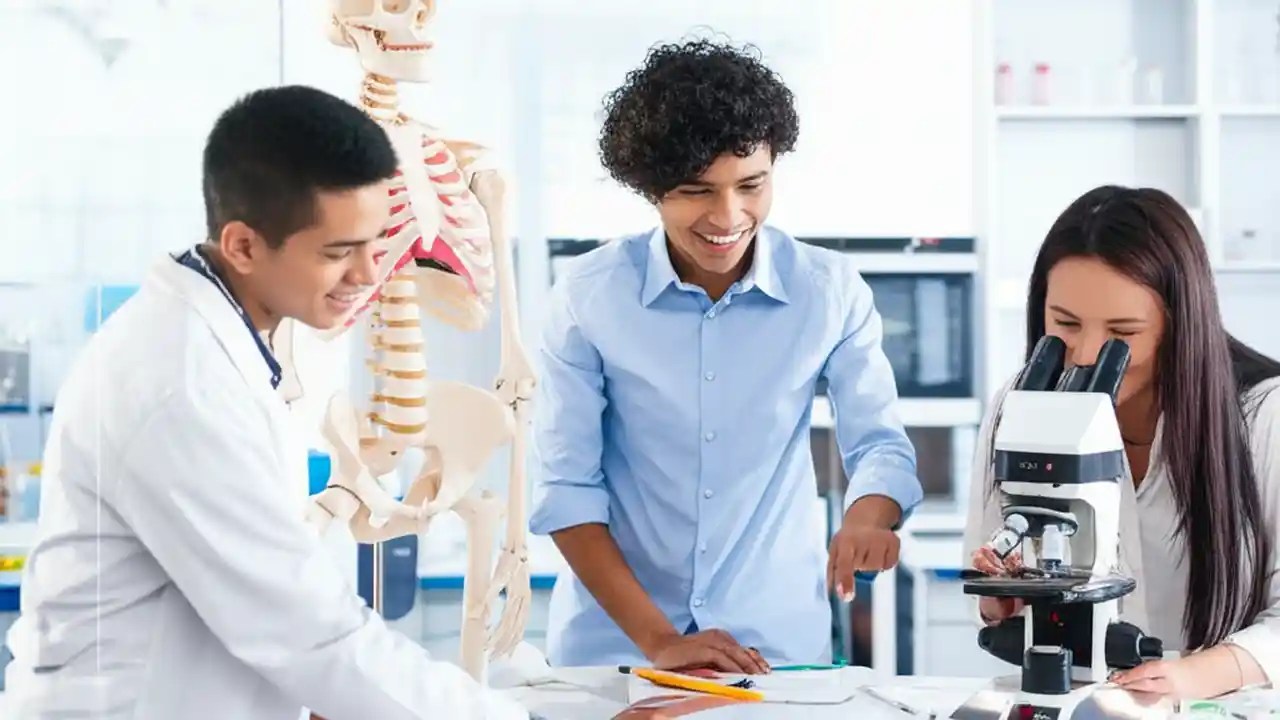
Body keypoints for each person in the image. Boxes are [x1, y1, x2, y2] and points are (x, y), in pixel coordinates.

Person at [4, 85, 528, 719]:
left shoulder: (232, 341)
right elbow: (308, 635)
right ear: (244, 246)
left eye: (374, 242)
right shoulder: (181, 384)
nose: (368, 273)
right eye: (338, 252)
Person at [529, 38, 922, 673]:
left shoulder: (827, 292)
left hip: (773, 643)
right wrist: (659, 640)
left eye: (751, 184)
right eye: (696, 190)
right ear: (649, 187)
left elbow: (878, 443)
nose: (728, 215)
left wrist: (868, 515)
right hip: (617, 646)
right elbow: (568, 488)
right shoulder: (589, 296)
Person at [963, 185, 1280, 699]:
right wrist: (1004, 599)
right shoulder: (1015, 407)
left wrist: (1193, 676)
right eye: (1064, 324)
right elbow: (989, 581)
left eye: (1123, 333)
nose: (1086, 355)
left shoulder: (1265, 415)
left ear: (1179, 326)